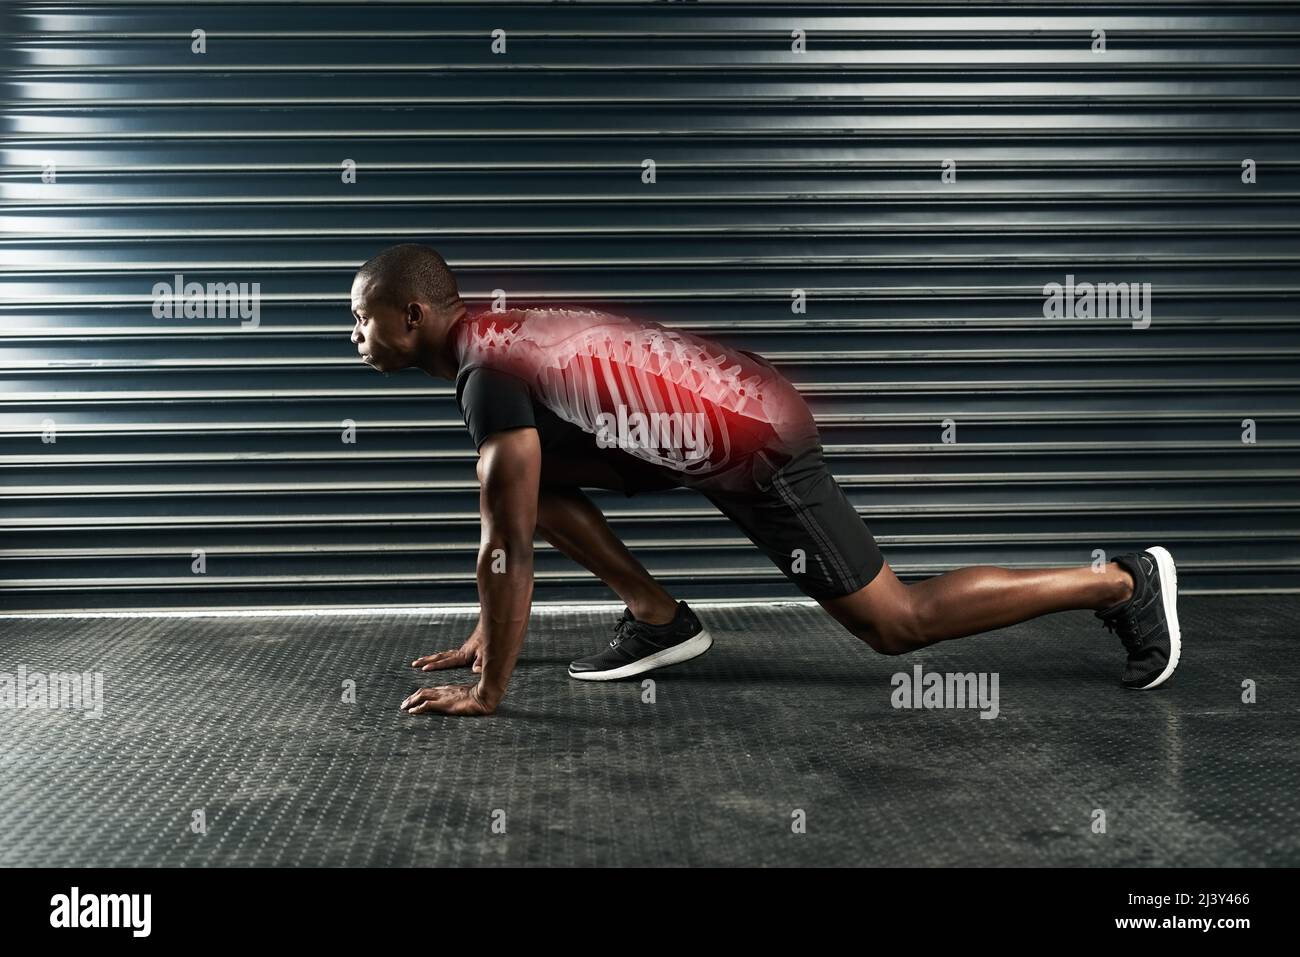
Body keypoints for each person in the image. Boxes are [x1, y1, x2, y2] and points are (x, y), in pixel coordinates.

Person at [349, 244, 1182, 717]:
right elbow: (515, 521)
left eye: (362, 317)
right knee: (527, 481)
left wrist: (488, 687)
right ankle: (659, 617)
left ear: (414, 316)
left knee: (897, 624)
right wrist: (489, 632)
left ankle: (1119, 581)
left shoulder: (485, 372)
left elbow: (503, 551)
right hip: (706, 419)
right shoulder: (492, 343)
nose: (355, 334)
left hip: (754, 442)